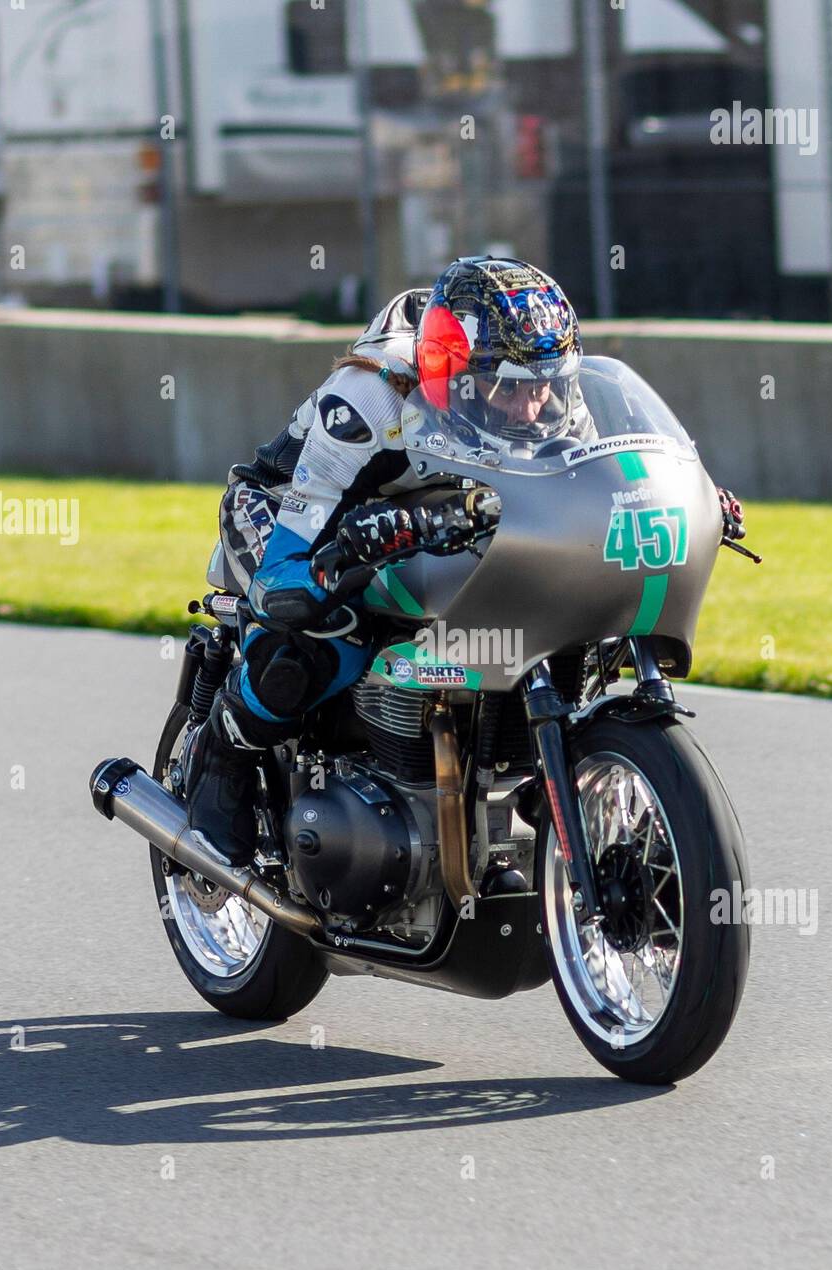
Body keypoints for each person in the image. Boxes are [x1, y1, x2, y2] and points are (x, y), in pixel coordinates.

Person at [182, 256, 584, 864]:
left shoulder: (548, 396)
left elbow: (589, 477)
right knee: (320, 622)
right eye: (510, 387)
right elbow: (288, 559)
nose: (533, 405)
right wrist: (360, 544)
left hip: (436, 521)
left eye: (548, 382)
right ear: (456, 370)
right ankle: (223, 753)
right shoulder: (372, 396)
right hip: (288, 514)